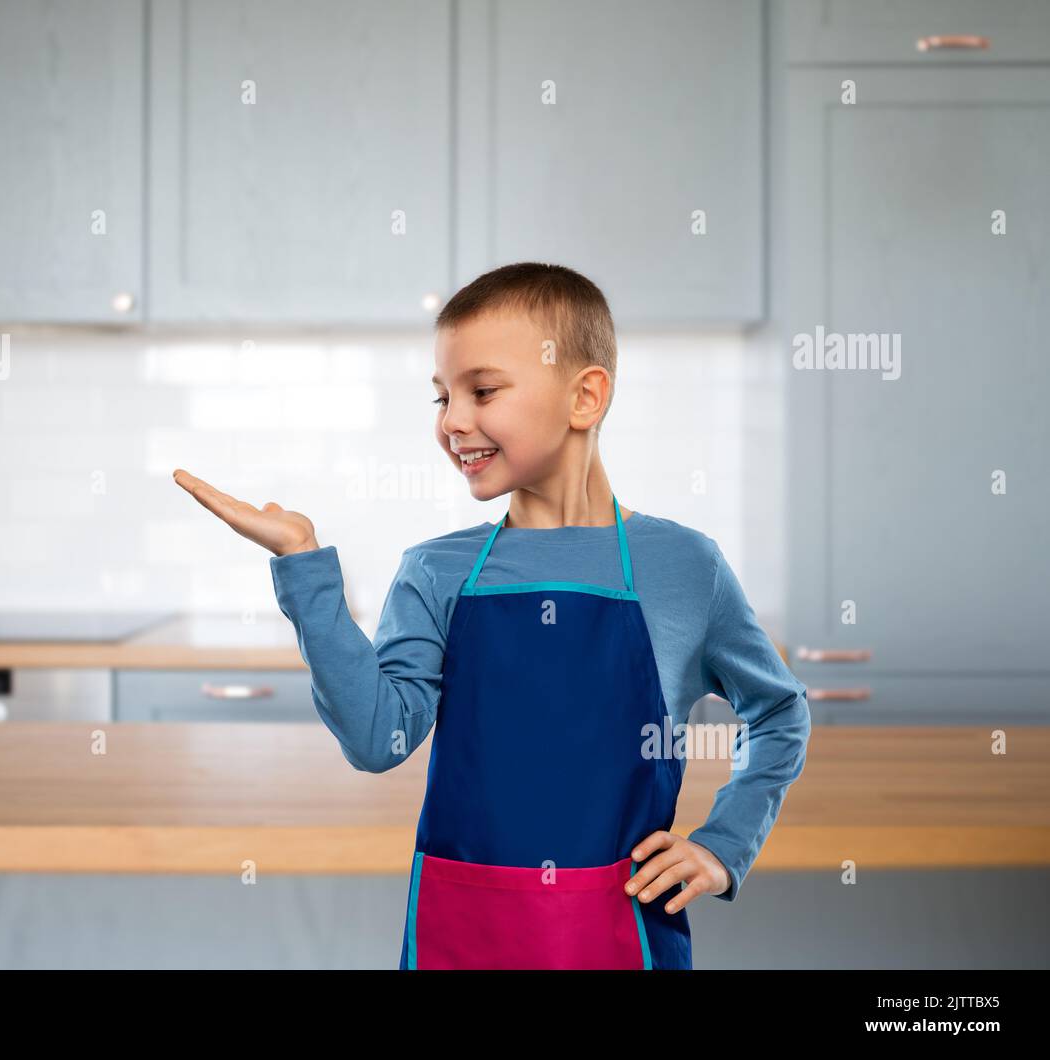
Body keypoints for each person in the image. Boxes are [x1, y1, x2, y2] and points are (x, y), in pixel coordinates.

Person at [173, 261, 811, 970]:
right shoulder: (436, 570)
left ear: (585, 397)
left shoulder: (684, 568)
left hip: (617, 933)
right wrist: (304, 564)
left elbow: (778, 713)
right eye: (442, 397)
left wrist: (724, 845)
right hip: (462, 926)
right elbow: (375, 738)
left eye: (482, 391)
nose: (452, 422)